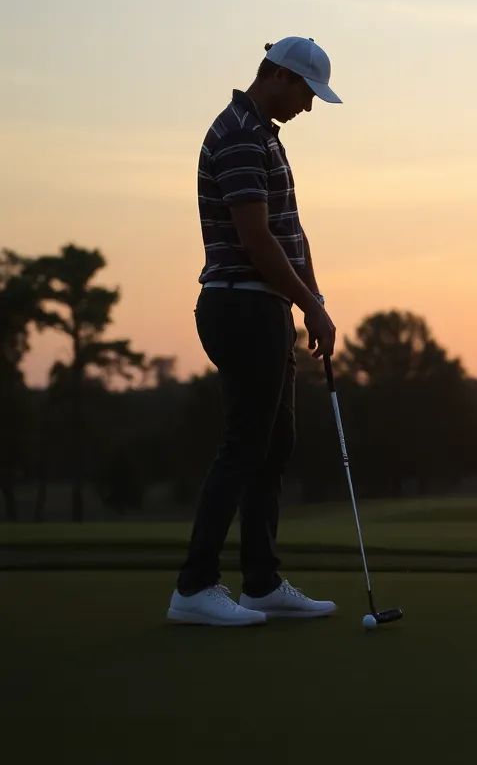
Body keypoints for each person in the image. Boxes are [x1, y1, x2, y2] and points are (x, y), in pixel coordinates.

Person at [167, 37, 342, 626]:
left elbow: (292, 231)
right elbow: (257, 241)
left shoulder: (264, 135)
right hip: (240, 306)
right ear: (276, 75)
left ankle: (262, 582)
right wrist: (309, 307)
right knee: (245, 446)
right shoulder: (241, 134)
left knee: (273, 445)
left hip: (264, 308)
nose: (309, 107)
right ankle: (195, 586)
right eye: (306, 93)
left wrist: (313, 302)